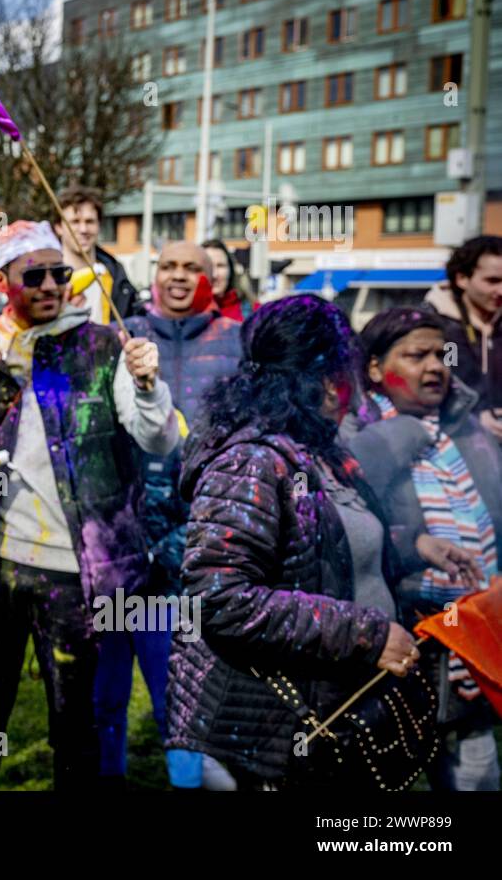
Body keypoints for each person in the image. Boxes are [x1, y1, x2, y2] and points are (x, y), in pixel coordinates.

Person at [0, 219, 179, 791]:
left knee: (74, 718)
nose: (51, 285)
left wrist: (149, 385)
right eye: (35, 275)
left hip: (76, 572)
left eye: (59, 273)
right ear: (2, 282)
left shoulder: (103, 346)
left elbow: (159, 439)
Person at [167, 295, 424, 789]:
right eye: (345, 370)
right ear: (324, 380)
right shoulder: (251, 461)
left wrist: (413, 546)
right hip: (273, 733)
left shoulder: (317, 448)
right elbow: (219, 599)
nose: (354, 389)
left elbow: (330, 543)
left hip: (329, 712)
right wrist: (365, 635)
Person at [343, 307, 500, 791]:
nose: (434, 367)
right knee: (399, 769)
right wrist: (413, 544)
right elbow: (353, 529)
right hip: (408, 628)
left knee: (477, 768)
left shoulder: (465, 428)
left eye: (440, 355)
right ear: (374, 368)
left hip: (476, 622)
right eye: (416, 356)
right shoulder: (351, 434)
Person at [112, 240, 241, 790]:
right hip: (122, 535)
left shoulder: (237, 340)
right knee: (106, 686)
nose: (181, 276)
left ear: (213, 278)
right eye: (170, 266)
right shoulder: (125, 334)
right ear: (154, 274)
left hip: (208, 538)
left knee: (187, 686)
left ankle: (190, 776)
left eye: (195, 267)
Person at [421, 235, 502, 440]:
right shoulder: (438, 328)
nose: (500, 291)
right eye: (493, 281)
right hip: (458, 442)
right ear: (462, 279)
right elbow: (436, 388)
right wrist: (474, 418)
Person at [52, 184, 141, 324]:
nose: (83, 229)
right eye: (74, 222)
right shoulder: (46, 280)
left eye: (90, 221)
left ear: (99, 225)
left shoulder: (117, 278)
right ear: (58, 227)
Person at [201, 238, 252, 322]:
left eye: (220, 266)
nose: (214, 275)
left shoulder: (253, 311)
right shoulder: (183, 312)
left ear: (231, 270)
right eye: (208, 266)